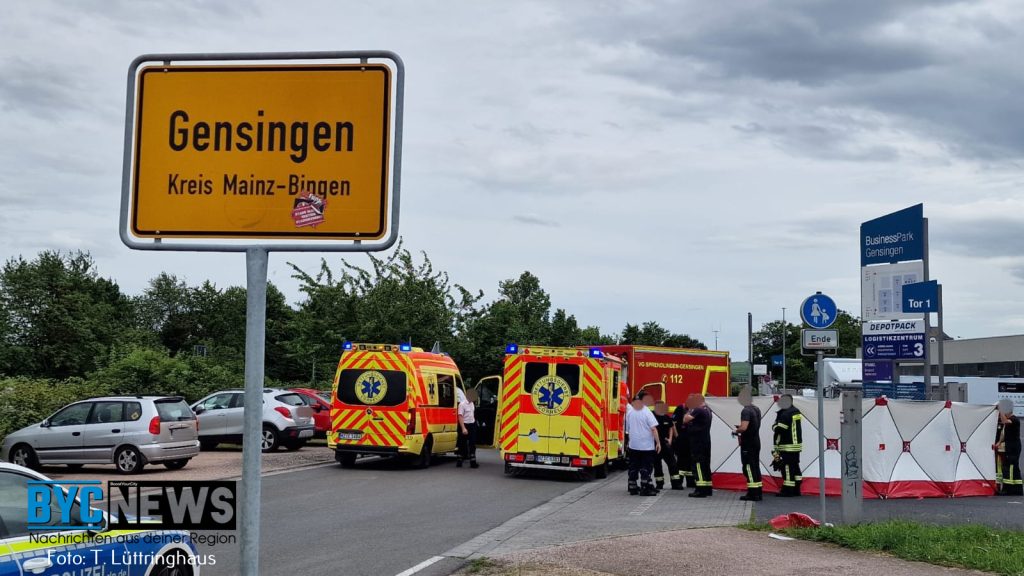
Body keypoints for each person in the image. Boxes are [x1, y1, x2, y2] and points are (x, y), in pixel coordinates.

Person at [625, 393, 661, 496]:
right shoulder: (646, 412)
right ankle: (645, 488)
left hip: (634, 445)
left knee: (633, 466)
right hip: (646, 446)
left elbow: (628, 430)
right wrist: (658, 442)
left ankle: (632, 487)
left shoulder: (630, 413)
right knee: (646, 467)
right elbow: (653, 428)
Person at [735, 386, 763, 501]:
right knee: (755, 466)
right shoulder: (756, 409)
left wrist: (736, 430)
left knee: (748, 468)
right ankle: (758, 491)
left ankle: (752, 493)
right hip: (756, 441)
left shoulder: (745, 410)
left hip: (748, 443)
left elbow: (744, 427)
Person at [773, 394, 803, 497]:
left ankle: (787, 490)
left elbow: (780, 429)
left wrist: (774, 425)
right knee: (795, 466)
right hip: (796, 445)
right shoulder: (795, 411)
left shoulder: (786, 413)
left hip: (787, 445)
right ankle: (796, 489)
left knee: (786, 467)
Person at [683, 393, 713, 497]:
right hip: (705, 441)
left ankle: (700, 489)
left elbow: (685, 419)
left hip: (697, 442)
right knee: (705, 465)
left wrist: (689, 411)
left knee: (698, 465)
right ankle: (708, 488)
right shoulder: (708, 410)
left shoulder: (698, 410)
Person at [653, 401, 683, 490]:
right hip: (656, 444)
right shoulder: (652, 417)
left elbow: (671, 426)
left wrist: (670, 439)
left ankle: (676, 484)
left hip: (666, 444)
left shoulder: (666, 417)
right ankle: (659, 484)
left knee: (672, 464)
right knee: (657, 465)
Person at [995, 399, 1022, 496]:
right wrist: (998, 443)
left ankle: (1010, 489)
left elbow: (1005, 421)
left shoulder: (1014, 419)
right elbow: (1004, 435)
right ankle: (1012, 489)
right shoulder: (1008, 423)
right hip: (1010, 447)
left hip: (1013, 447)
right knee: (1007, 466)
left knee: (1010, 467)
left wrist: (1000, 410)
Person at [672, 402, 694, 488]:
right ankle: (679, 481)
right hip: (681, 439)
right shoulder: (680, 408)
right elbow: (673, 423)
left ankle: (690, 481)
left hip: (690, 439)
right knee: (681, 461)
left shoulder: (693, 409)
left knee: (690, 461)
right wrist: (677, 436)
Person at [457, 389, 479, 468]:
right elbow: (460, 416)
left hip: (472, 424)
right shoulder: (462, 404)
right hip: (464, 425)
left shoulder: (472, 404)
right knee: (462, 443)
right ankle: (459, 460)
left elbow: (472, 414)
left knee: (472, 443)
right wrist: (463, 428)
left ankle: (473, 462)